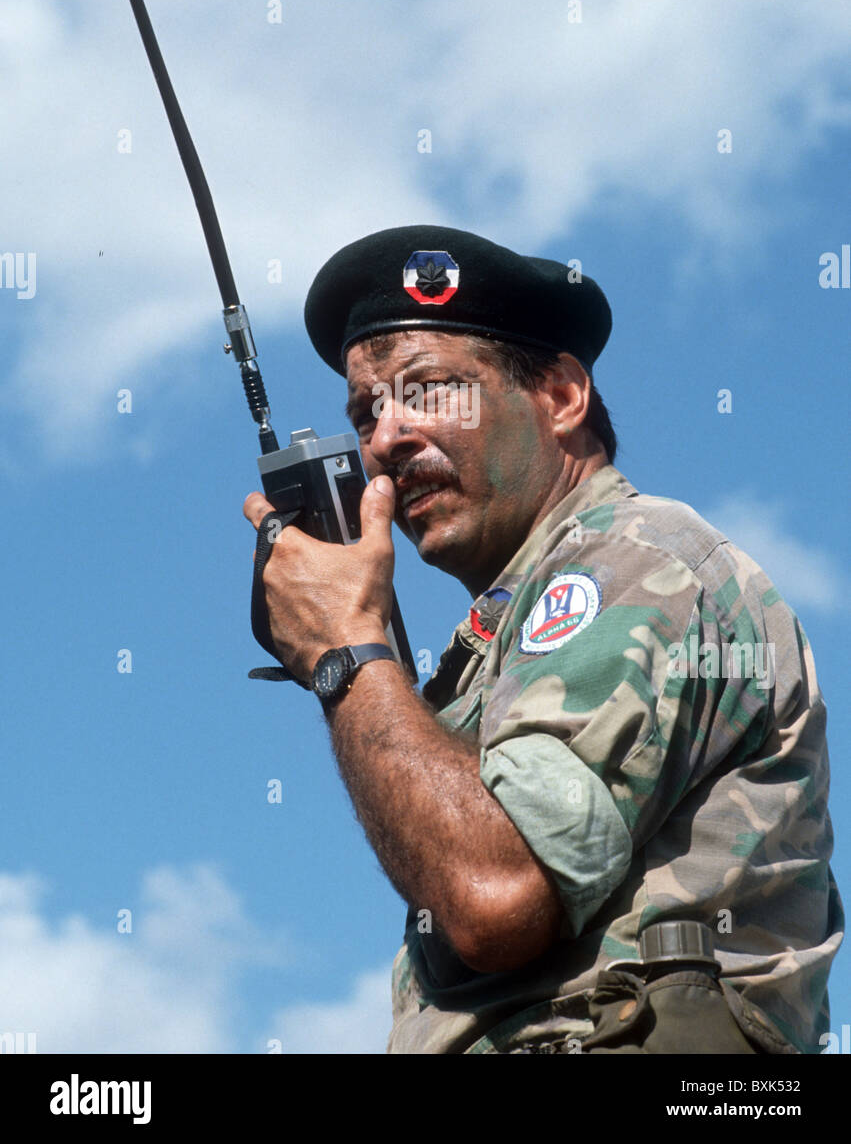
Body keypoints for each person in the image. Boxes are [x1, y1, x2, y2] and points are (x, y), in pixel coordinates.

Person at [243, 224, 843, 1055]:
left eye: (429, 390)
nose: (385, 439)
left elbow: (493, 895)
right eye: (367, 411)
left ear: (561, 397)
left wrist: (348, 650)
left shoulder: (632, 559)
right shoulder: (508, 625)